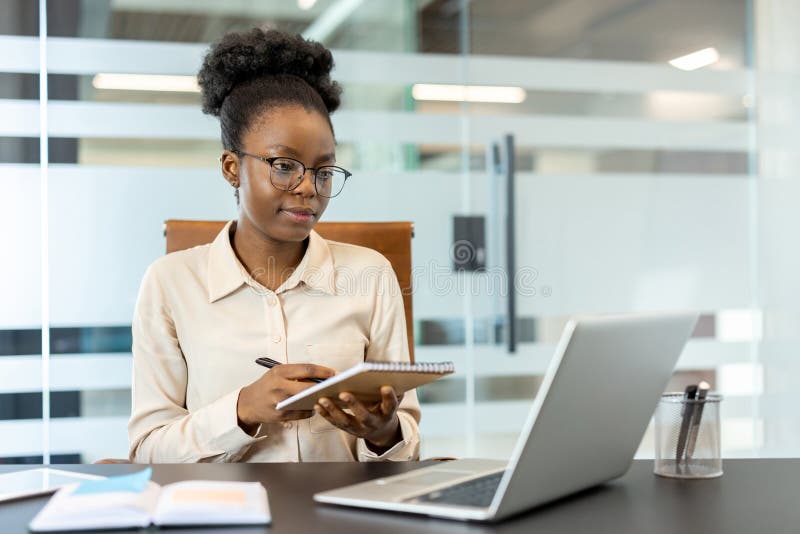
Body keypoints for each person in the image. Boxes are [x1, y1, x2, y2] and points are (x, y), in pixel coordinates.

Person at [127, 28, 420, 463]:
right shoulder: (170, 283)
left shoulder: (370, 274)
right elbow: (148, 450)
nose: (309, 188)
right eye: (284, 166)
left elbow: (405, 447)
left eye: (324, 171)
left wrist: (384, 433)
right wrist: (242, 411)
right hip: (224, 504)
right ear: (232, 167)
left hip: (339, 503)